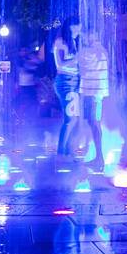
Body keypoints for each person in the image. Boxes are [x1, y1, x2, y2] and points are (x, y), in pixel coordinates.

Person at [78, 29, 109, 168]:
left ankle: (100, 159)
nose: (82, 36)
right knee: (93, 122)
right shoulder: (102, 49)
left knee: (95, 123)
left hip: (93, 93)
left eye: (85, 34)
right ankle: (98, 157)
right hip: (97, 93)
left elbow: (78, 65)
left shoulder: (88, 51)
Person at [52, 17, 81, 155]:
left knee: (74, 118)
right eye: (77, 27)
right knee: (70, 119)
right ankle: (61, 152)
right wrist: (77, 58)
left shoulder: (73, 42)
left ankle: (68, 150)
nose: (79, 31)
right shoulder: (60, 42)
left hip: (74, 81)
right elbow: (61, 64)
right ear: (70, 27)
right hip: (65, 82)